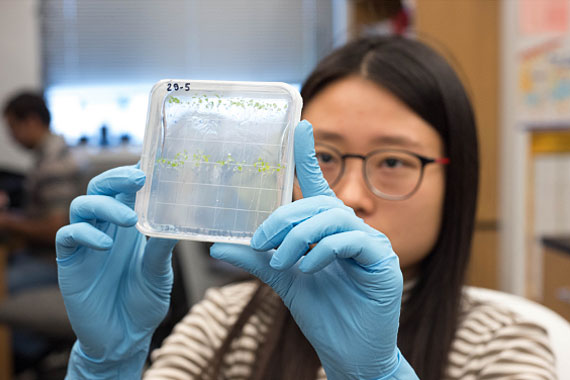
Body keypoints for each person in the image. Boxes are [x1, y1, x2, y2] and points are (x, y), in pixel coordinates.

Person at [55, 36, 556, 379]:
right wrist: (108, 363)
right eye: (323, 158)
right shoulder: (226, 322)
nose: (352, 197)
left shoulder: (503, 342)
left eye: (395, 162)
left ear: (457, 179)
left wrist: (374, 374)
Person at [1, 91, 80, 293]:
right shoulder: (50, 154)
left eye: (12, 128)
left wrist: (7, 220)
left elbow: (56, 229)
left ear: (31, 121)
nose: (11, 137)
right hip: (44, 255)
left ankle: (17, 322)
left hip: (54, 262)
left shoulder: (54, 164)